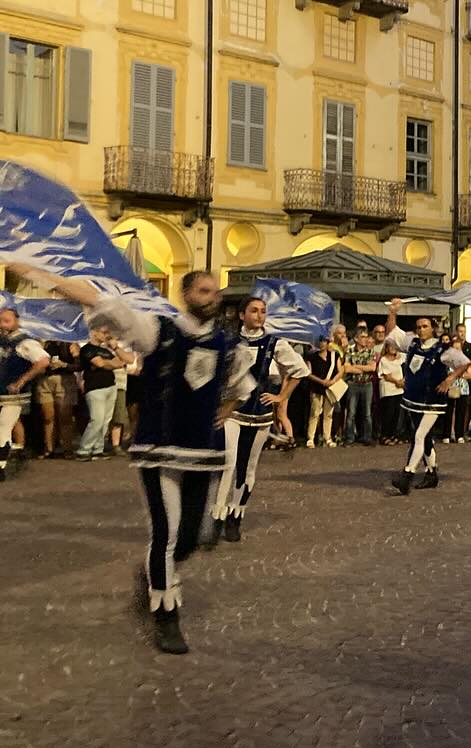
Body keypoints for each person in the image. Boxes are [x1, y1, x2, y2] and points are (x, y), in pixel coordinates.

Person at [22, 267, 253, 655]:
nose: (211, 297)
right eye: (203, 291)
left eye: (215, 292)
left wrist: (226, 408)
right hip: (159, 449)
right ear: (186, 293)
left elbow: (241, 384)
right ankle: (166, 613)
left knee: (193, 539)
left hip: (205, 452)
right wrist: (40, 274)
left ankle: (154, 573)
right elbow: (102, 302)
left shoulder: (229, 342)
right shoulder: (157, 330)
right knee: (166, 532)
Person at [213, 296, 306, 542]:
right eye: (253, 311)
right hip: (232, 413)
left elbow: (299, 370)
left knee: (248, 467)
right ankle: (217, 515)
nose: (259, 315)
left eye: (263, 311)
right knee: (229, 462)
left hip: (259, 416)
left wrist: (281, 397)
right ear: (242, 315)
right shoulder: (229, 340)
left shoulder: (274, 342)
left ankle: (236, 514)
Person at [383, 300, 469, 495]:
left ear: (433, 328)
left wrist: (450, 379)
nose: (421, 330)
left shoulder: (443, 349)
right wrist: (392, 312)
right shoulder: (412, 343)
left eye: (425, 327)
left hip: (432, 401)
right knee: (426, 438)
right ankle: (431, 473)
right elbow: (392, 333)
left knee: (419, 435)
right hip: (413, 399)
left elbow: (463, 363)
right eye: (419, 327)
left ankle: (407, 474)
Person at [0, 306, 49, 481]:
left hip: (12, 395)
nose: (2, 325)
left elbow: (43, 361)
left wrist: (21, 381)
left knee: (4, 428)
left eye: (6, 321)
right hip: (3, 391)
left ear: (16, 321)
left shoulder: (25, 342)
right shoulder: (3, 341)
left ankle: (1, 466)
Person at [76, 327, 125, 461]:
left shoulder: (105, 350)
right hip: (95, 387)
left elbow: (120, 362)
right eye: (104, 333)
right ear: (94, 333)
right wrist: (109, 364)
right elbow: (99, 363)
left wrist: (107, 363)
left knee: (105, 421)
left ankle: (98, 448)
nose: (106, 335)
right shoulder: (87, 349)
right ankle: (84, 449)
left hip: (110, 386)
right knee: (96, 419)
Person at [304, 335, 342, 448]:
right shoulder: (311, 357)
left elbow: (340, 371)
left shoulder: (334, 355)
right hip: (316, 388)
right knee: (314, 413)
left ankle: (327, 437)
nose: (321, 344)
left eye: (323, 341)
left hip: (330, 388)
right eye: (319, 341)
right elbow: (308, 373)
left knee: (328, 414)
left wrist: (332, 381)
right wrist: (321, 381)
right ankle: (311, 438)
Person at [344, 329, 377, 447]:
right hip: (353, 384)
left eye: (366, 337)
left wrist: (356, 366)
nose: (365, 339)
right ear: (356, 339)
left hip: (367, 384)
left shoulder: (370, 351)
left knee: (367, 413)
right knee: (351, 412)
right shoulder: (350, 350)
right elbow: (347, 369)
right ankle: (349, 437)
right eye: (363, 337)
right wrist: (364, 367)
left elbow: (372, 368)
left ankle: (367, 437)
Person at [376, 340, 405, 444]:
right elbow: (386, 375)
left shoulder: (399, 359)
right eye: (391, 347)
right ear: (386, 348)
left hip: (399, 390)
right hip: (388, 390)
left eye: (394, 347)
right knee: (388, 414)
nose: (393, 348)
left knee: (396, 415)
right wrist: (397, 381)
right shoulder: (384, 360)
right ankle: (385, 436)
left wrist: (403, 381)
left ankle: (393, 435)